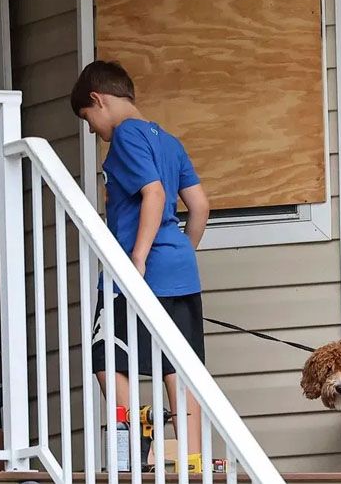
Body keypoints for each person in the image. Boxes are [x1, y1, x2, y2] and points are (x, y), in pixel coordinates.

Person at [71, 60, 210, 463]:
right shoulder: (168, 140)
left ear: (98, 100)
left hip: (136, 273)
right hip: (180, 271)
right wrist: (180, 254)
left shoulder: (126, 137)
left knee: (105, 357)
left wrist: (139, 258)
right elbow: (199, 206)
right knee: (180, 368)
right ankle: (191, 458)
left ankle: (139, 431)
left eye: (88, 119)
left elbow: (154, 194)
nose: (94, 130)